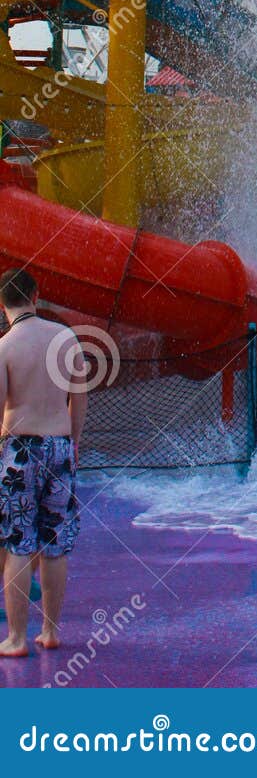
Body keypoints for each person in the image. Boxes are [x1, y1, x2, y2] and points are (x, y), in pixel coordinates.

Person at [0, 269, 86, 658]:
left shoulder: (4, 347)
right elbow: (79, 396)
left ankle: (16, 639)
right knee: (54, 544)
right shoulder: (65, 338)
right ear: (35, 295)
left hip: (19, 449)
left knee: (19, 542)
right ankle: (50, 631)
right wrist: (74, 441)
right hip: (59, 446)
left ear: (4, 305)